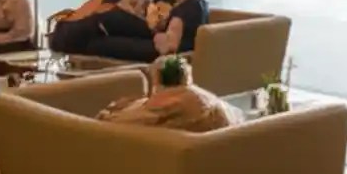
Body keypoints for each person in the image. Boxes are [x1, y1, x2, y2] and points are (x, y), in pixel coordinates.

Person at [88, 0, 208, 63]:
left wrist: (159, 33)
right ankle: (99, 22)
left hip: (160, 52)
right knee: (116, 16)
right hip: (166, 46)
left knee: (105, 42)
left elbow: (169, 46)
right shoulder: (200, 3)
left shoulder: (186, 7)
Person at [96, 55, 242, 132]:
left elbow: (108, 124)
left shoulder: (163, 107)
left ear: (156, 80)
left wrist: (109, 111)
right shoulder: (214, 103)